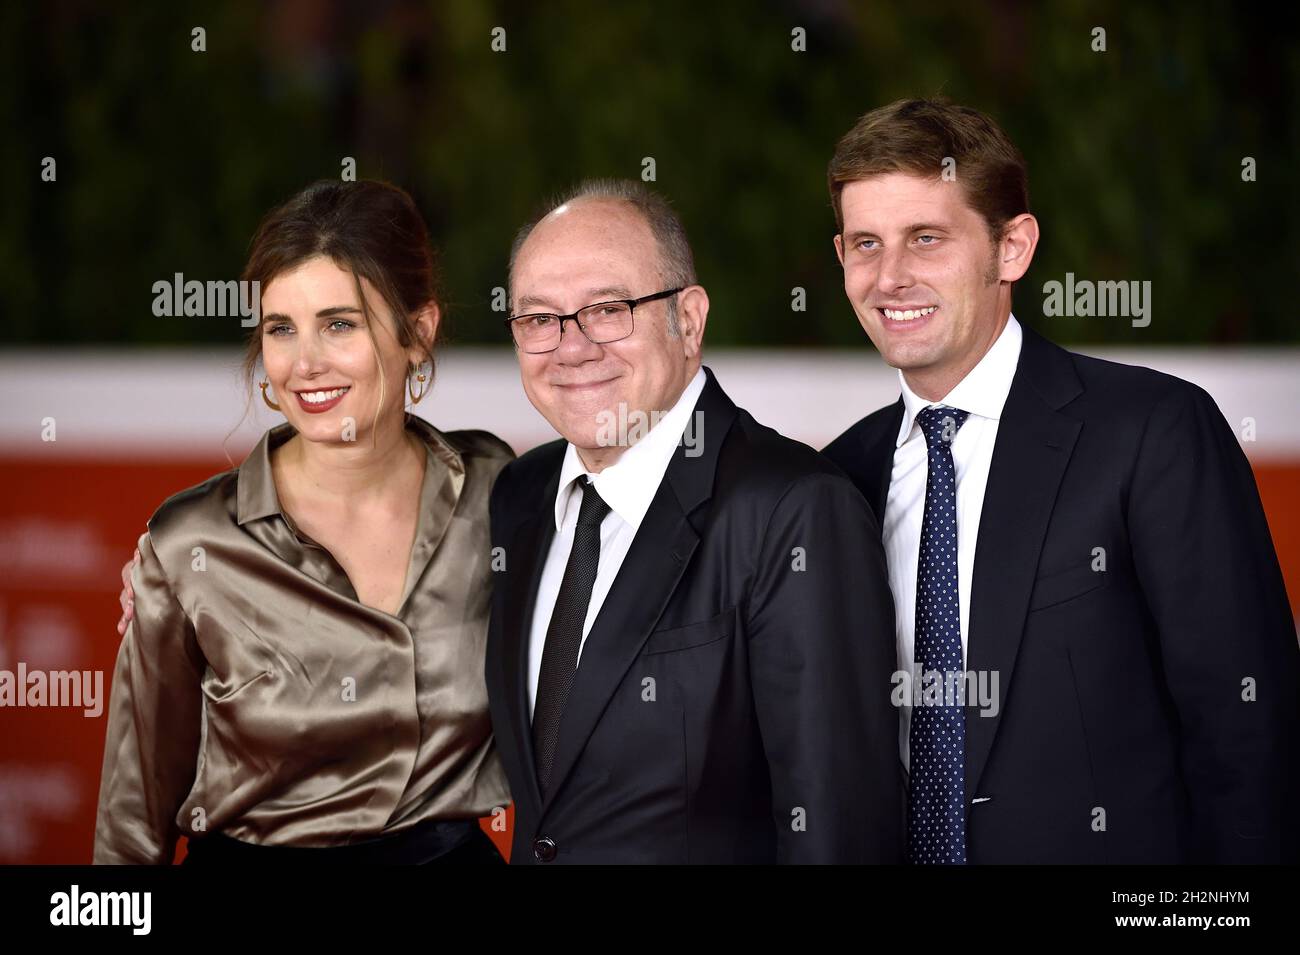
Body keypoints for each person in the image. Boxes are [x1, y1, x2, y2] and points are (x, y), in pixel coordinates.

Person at [821, 97, 1300, 863]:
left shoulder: (1154, 431)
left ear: (1012, 248)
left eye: (927, 238)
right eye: (865, 243)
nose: (890, 276)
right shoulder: (838, 478)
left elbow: (1251, 735)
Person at [486, 179, 902, 864]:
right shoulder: (520, 498)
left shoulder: (792, 508)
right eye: (539, 319)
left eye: (608, 309)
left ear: (690, 318)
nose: (571, 346)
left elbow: (839, 829)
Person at [100, 179, 510, 864]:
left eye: (339, 324)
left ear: (419, 331)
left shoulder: (503, 495)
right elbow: (131, 821)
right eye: (280, 329)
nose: (305, 363)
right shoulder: (193, 542)